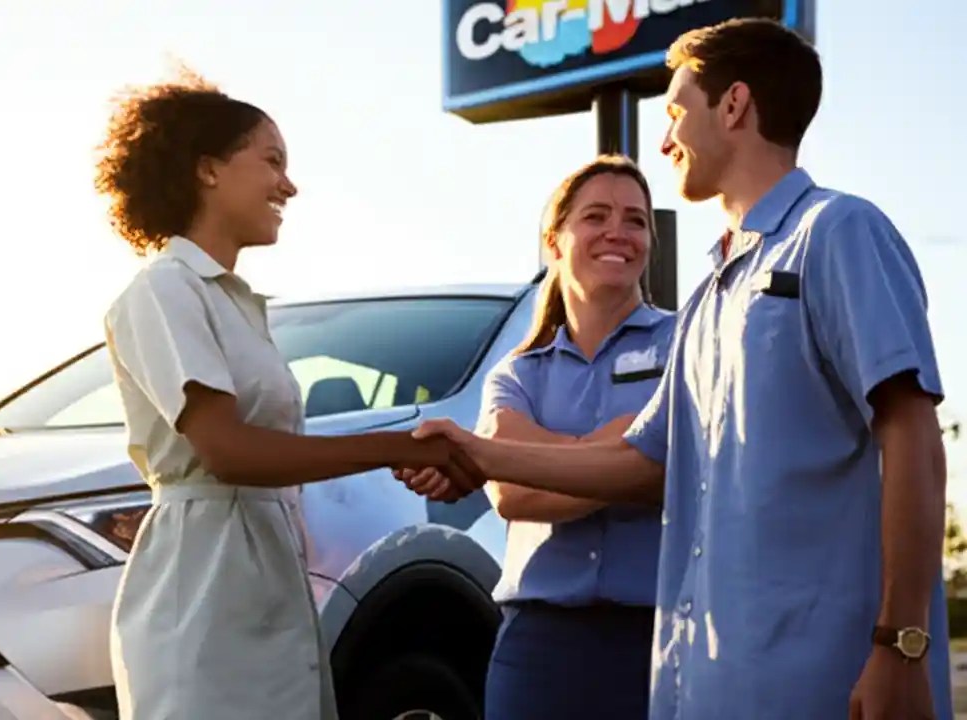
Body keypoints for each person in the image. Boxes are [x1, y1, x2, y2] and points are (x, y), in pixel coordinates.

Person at [408, 18, 951, 720]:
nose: (664, 139)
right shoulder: (706, 298)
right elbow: (639, 463)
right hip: (705, 683)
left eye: (674, 111)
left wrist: (900, 644)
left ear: (733, 107)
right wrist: (474, 451)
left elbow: (912, 435)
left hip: (820, 680)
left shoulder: (838, 231)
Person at [93, 71, 484, 720]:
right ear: (208, 170)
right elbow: (229, 451)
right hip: (204, 581)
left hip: (265, 576)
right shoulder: (165, 289)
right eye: (271, 161)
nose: (288, 184)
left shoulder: (238, 305)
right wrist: (396, 446)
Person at [406, 155, 674, 719]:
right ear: (553, 242)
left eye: (635, 220)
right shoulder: (515, 374)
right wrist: (623, 454)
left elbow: (664, 469)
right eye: (596, 216)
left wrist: (533, 454)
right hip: (541, 648)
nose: (618, 233)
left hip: (663, 637)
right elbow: (510, 493)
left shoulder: (687, 343)